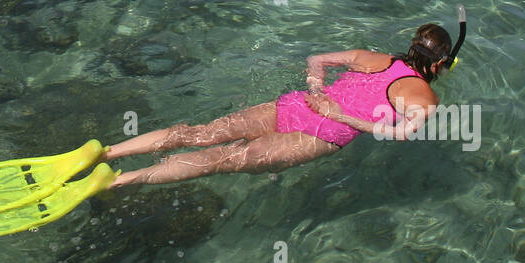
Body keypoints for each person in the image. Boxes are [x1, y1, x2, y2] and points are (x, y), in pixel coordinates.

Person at [106, 22, 459, 188]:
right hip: (323, 132)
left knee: (199, 133)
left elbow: (316, 59)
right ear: (441, 64)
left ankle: (109, 152)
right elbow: (398, 134)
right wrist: (342, 116)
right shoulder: (426, 98)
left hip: (295, 105)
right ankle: (119, 181)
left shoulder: (371, 57)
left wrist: (316, 89)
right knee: (218, 160)